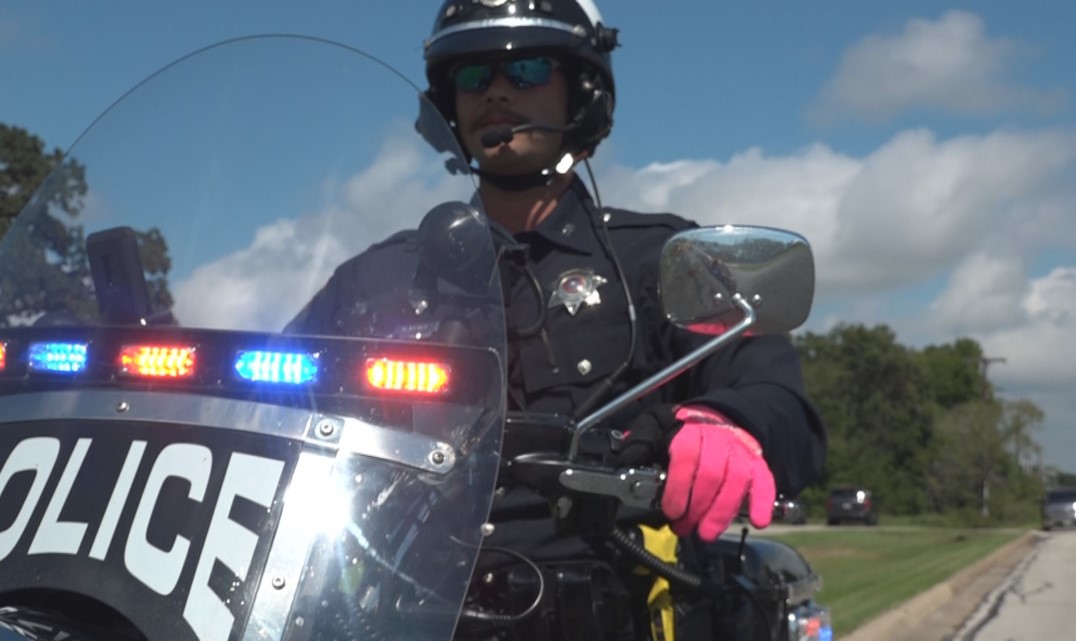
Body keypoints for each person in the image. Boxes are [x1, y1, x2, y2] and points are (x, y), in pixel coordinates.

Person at [288, 1, 826, 639]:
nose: (495, 91)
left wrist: (731, 424)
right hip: (404, 611)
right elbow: (256, 399)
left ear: (582, 88)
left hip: (619, 607)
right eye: (472, 76)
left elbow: (778, 396)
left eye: (528, 68)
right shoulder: (376, 279)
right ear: (445, 100)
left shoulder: (661, 258)